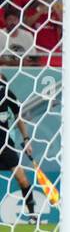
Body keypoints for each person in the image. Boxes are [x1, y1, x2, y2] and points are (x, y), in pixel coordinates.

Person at [0, 75, 36, 220]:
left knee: (22, 180)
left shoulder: (5, 92)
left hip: (5, 144)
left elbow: (18, 115)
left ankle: (32, 213)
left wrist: (26, 139)